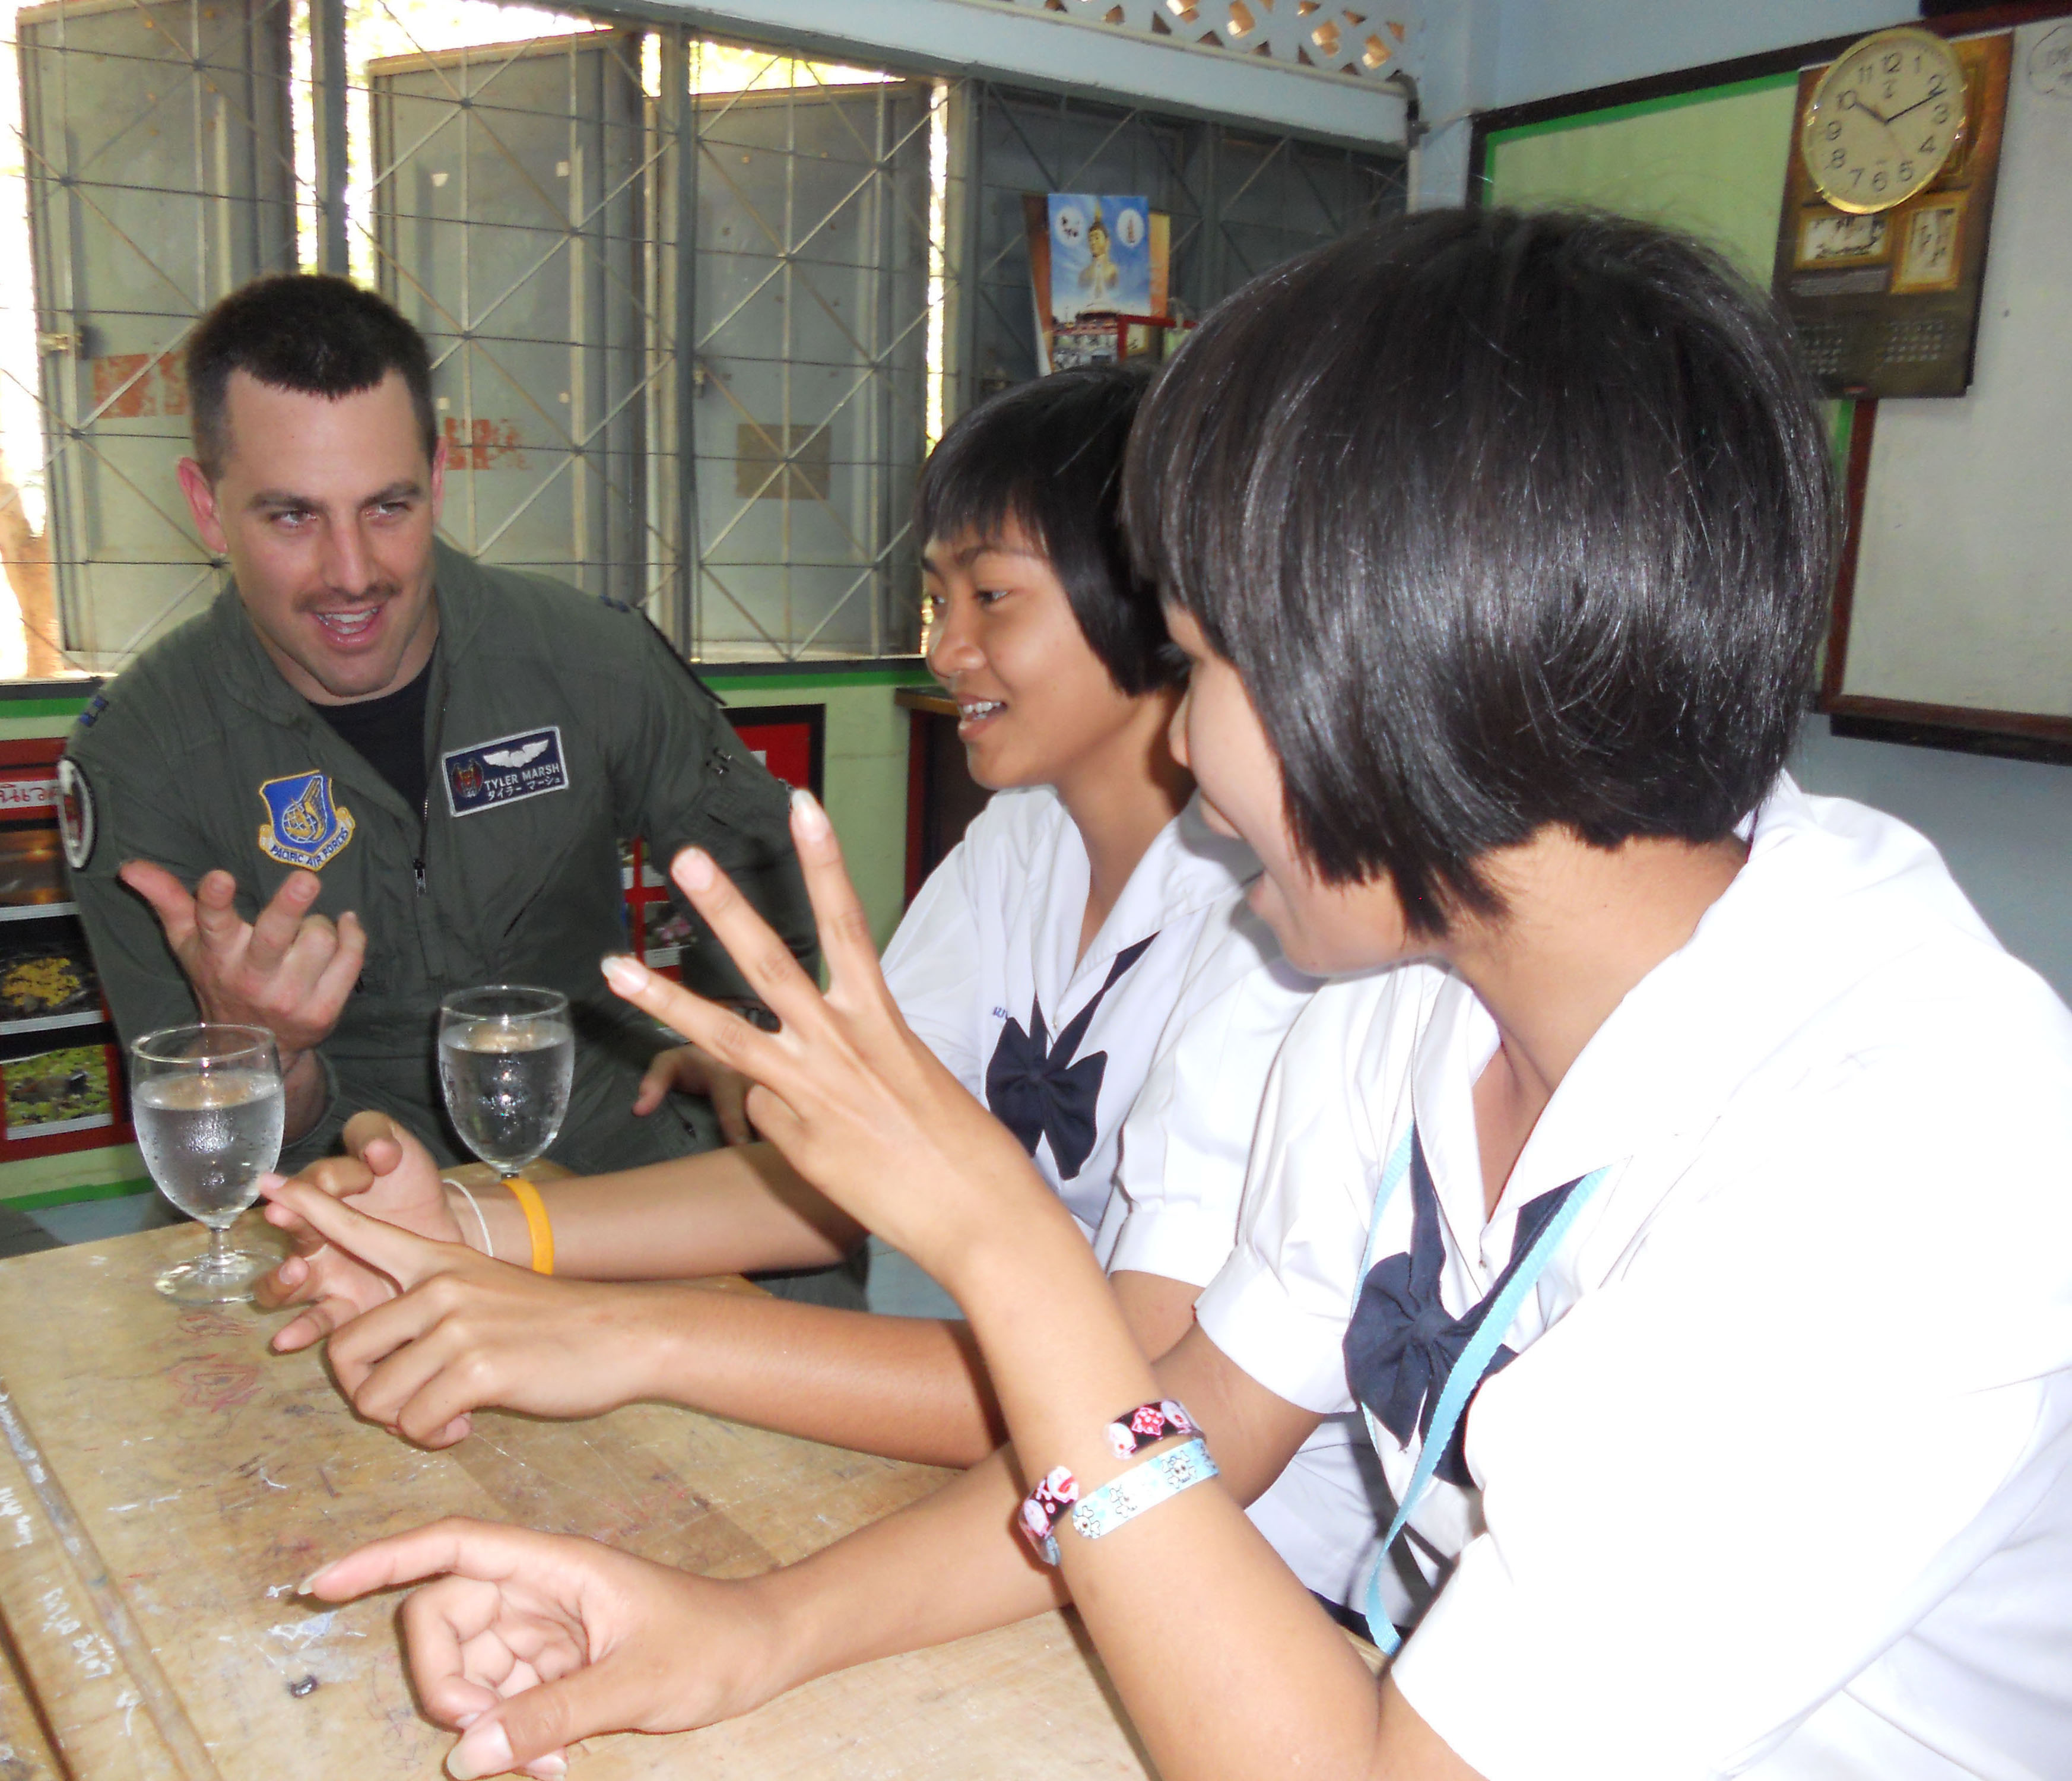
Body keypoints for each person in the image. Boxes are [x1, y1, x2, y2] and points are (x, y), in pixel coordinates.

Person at [283, 207, 2072, 1780]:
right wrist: (753, 1629)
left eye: (1205, 665)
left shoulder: (1917, 1162)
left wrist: (1004, 1246)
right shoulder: (1417, 986)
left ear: (1408, 674)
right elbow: (1181, 1434)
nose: (1187, 751)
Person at [260, 365, 1388, 1611]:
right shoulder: (1023, 842)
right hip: (1047, 1514)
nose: (944, 647)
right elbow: (840, 1179)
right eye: (937, 598)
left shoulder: (1283, 927)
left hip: (1255, 1576)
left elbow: (1125, 1400)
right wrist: (477, 1232)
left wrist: (637, 1334)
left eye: (991, 597)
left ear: (1152, 600)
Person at [59, 273, 814, 1179]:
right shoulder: (138, 759)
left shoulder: (594, 661)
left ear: (440, 479)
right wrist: (261, 1051)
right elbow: (211, 1152)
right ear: (207, 506)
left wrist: (754, 1037)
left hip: (613, 1141)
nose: (352, 573)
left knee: (812, 1232)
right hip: (340, 1185)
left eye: (388, 506)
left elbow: (762, 864)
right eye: (293, 515)